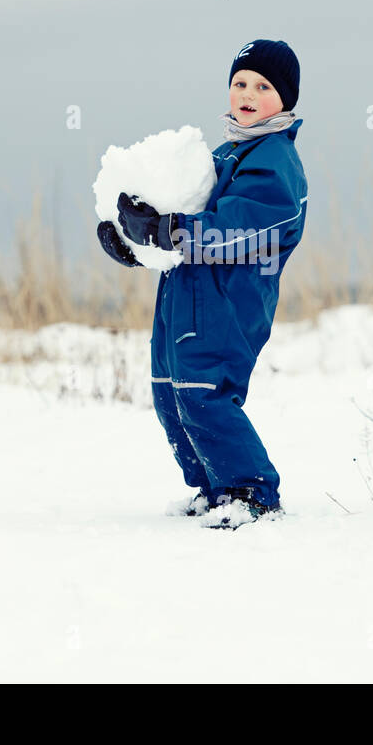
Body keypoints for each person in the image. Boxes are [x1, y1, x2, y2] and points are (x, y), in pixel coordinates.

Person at [96, 39, 307, 527]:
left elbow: (243, 226)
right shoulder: (223, 153)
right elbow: (183, 217)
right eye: (240, 83)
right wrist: (134, 241)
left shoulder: (274, 161)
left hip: (229, 304)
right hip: (184, 299)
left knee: (205, 391)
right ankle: (215, 487)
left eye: (262, 86)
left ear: (286, 100)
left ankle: (251, 491)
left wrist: (173, 230)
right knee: (170, 391)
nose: (247, 93)